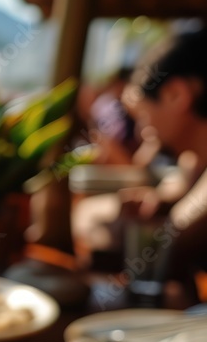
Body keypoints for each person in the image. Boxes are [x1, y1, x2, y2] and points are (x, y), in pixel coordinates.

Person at [74, 27, 207, 288]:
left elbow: (165, 245)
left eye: (144, 117)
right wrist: (157, 203)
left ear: (176, 95)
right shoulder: (193, 161)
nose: (142, 132)